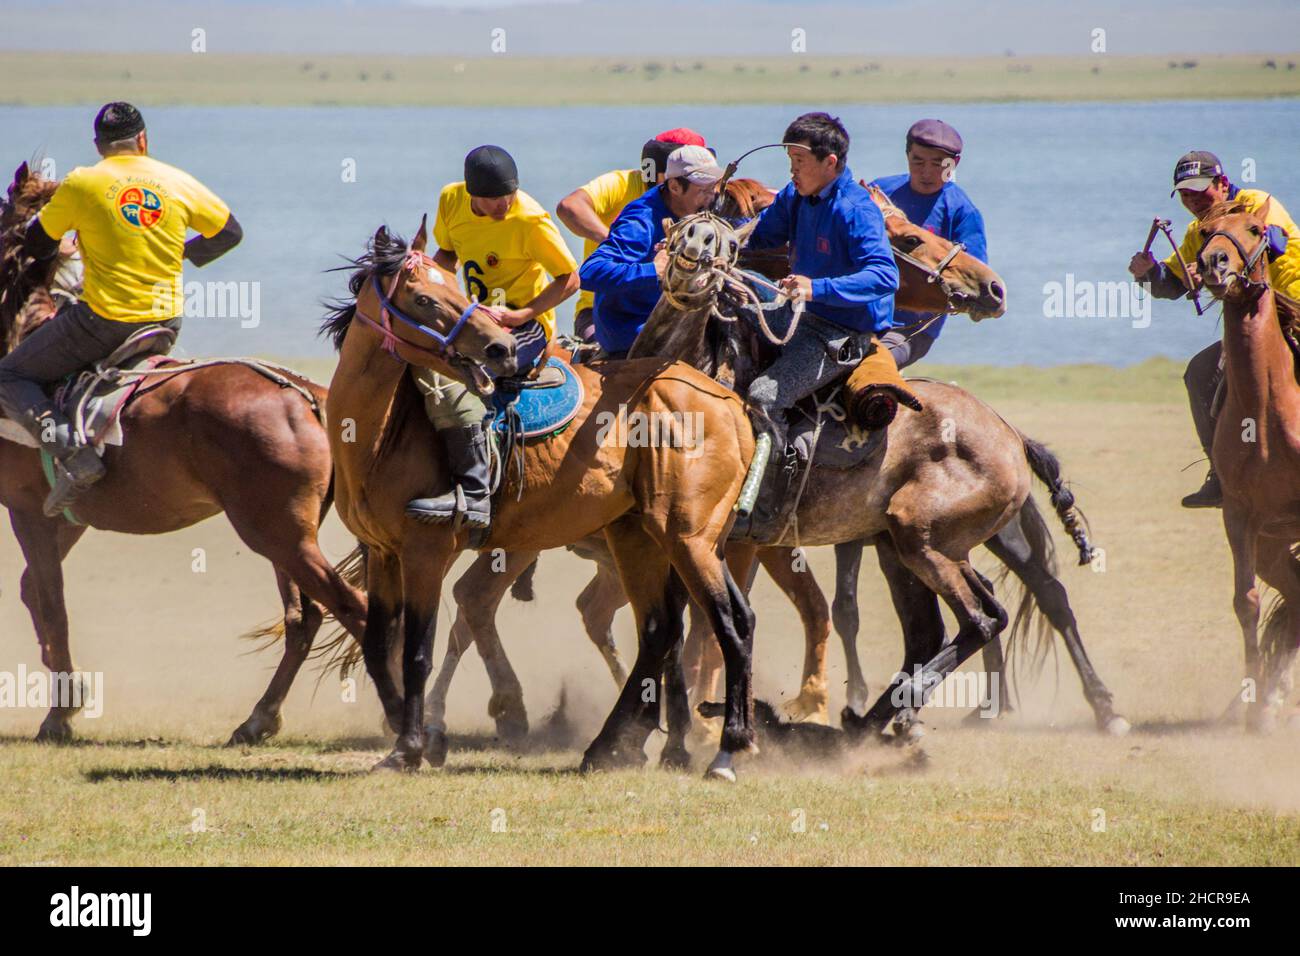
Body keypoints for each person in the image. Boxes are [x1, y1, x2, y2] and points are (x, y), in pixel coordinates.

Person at [0, 102, 241, 516]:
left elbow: (37, 245)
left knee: (10, 374)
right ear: (144, 140)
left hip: (105, 322)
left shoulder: (83, 183)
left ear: (99, 147)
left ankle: (72, 454)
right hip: (165, 322)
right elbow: (229, 234)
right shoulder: (176, 180)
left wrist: (69, 241)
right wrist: (180, 253)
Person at [740, 112, 901, 538]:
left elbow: (885, 276)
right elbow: (758, 238)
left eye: (799, 161)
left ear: (830, 162)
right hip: (797, 312)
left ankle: (766, 504)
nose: (792, 170)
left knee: (761, 397)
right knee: (730, 300)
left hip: (838, 333)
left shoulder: (856, 209)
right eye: (790, 160)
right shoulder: (795, 195)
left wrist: (816, 287)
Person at [406, 144, 579, 529]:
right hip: (474, 317)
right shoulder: (451, 200)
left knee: (484, 371)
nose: (504, 204)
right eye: (494, 199)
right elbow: (448, 254)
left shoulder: (531, 221)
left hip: (525, 323)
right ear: (472, 195)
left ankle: (477, 494)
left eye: (509, 195)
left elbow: (570, 279)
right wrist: (430, 279)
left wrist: (521, 313)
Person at [1128, 150, 1300, 508]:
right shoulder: (1199, 232)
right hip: (1256, 328)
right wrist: (1148, 274)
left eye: (1198, 190)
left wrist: (1209, 266)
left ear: (1222, 184)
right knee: (1200, 373)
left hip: (1295, 309)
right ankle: (1220, 474)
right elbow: (1171, 286)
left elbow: (1277, 242)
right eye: (1184, 194)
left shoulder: (1255, 203)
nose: (1191, 200)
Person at [556, 128, 708, 343]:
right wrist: (618, 242)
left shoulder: (698, 200)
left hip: (670, 308)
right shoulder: (622, 184)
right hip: (604, 311)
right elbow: (569, 207)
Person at [578, 144, 725, 358]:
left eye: (713, 187)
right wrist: (653, 270)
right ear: (674, 186)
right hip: (634, 329)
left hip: (675, 316)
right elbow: (590, 272)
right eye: (703, 190)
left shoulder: (700, 206)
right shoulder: (640, 222)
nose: (710, 197)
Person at [870, 118, 988, 368]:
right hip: (860, 314)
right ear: (907, 155)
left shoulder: (961, 212)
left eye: (938, 164)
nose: (927, 172)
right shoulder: (879, 193)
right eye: (918, 161)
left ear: (954, 164)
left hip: (909, 329)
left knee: (874, 366)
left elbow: (974, 277)